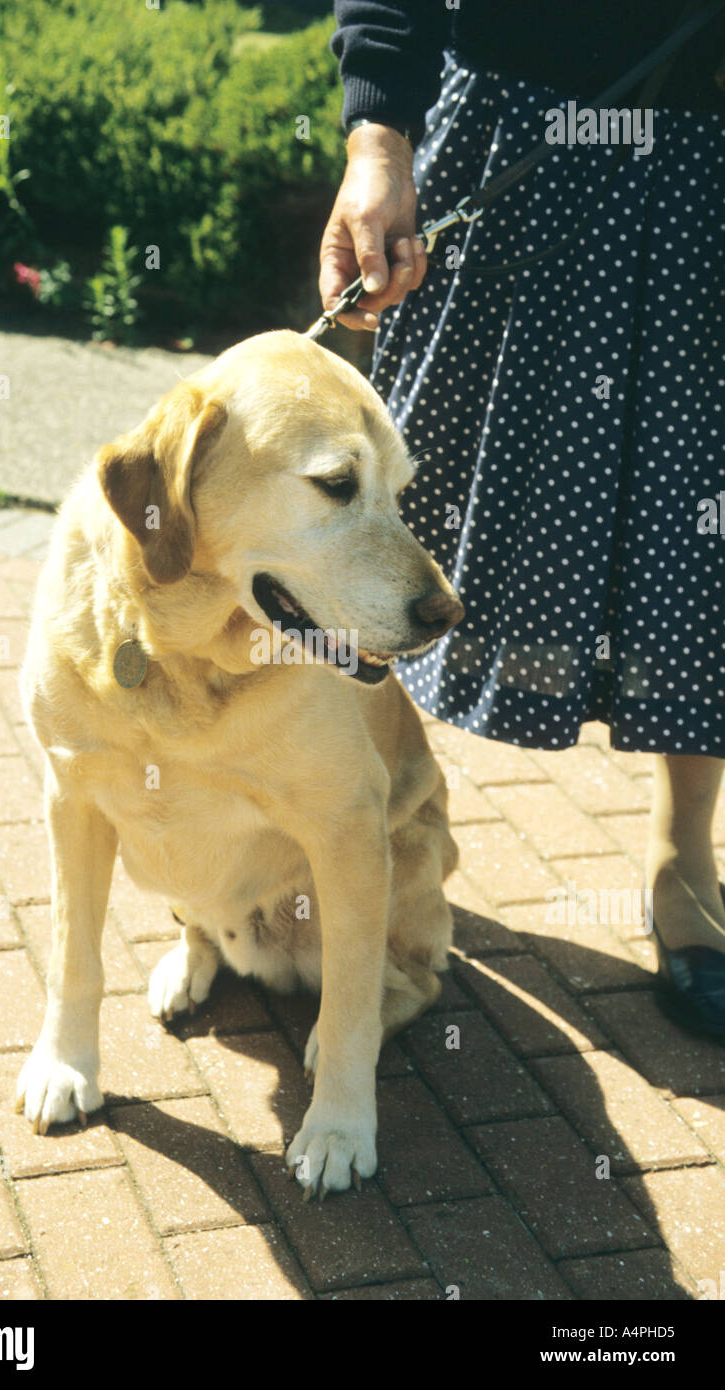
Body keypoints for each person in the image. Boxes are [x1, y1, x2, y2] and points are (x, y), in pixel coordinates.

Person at [321, 0, 725, 1039]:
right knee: (392, 529)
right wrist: (377, 137)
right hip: (516, 131)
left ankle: (684, 864)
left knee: (700, 529)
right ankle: (338, 836)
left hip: (707, 147)